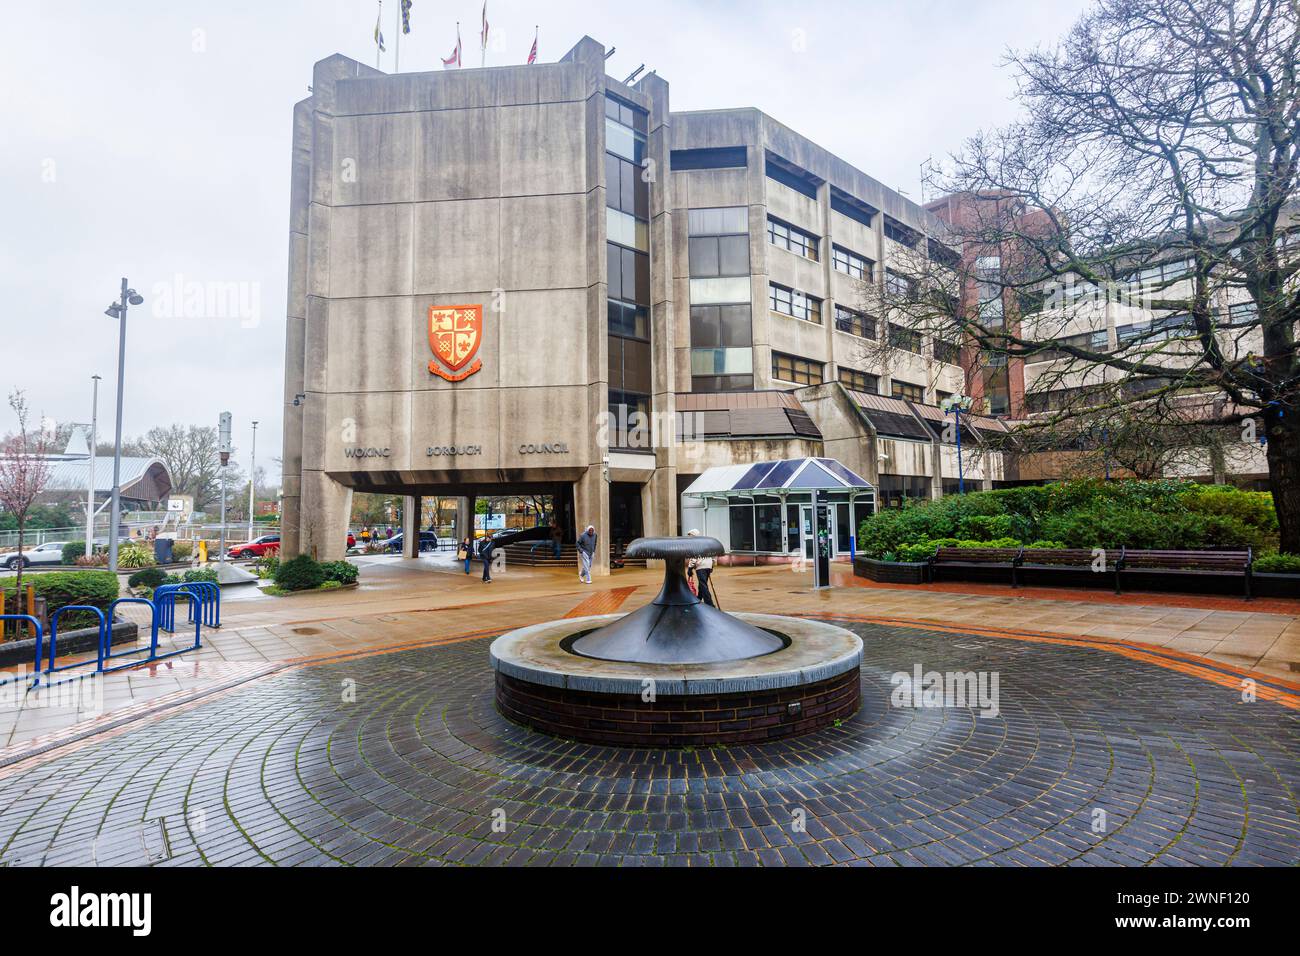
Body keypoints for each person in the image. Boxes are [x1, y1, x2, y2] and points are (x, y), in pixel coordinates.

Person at [686, 529, 715, 607]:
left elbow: (694, 557)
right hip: (708, 566)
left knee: (703, 586)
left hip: (701, 566)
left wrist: (690, 568)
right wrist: (712, 564)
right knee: (702, 585)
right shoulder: (705, 543)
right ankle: (698, 599)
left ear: (694, 535)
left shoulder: (695, 544)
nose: (689, 538)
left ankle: (709, 604)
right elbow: (713, 554)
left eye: (690, 536)